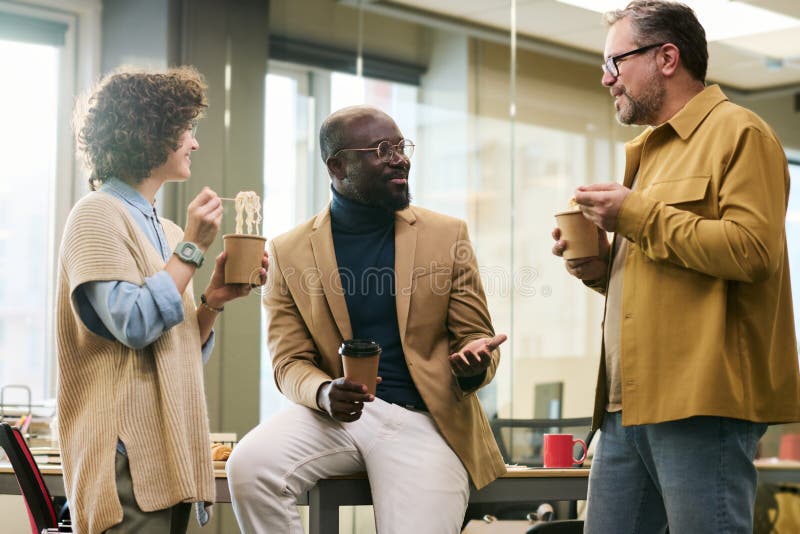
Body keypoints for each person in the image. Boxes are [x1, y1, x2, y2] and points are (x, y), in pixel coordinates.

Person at [551, 1, 800, 532]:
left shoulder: (741, 134)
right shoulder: (647, 152)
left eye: (615, 62)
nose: (605, 78)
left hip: (699, 402)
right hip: (624, 408)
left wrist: (632, 214)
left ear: (667, 57)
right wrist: (601, 265)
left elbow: (753, 253)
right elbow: (669, 273)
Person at [227, 105, 507, 533]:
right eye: (382, 149)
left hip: (424, 419)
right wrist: (324, 392)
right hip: (333, 417)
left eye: (401, 146)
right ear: (337, 165)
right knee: (250, 466)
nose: (400, 158)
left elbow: (476, 337)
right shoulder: (289, 250)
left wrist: (475, 365)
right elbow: (288, 363)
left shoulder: (446, 235)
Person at [56, 66, 268, 534]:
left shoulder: (166, 230)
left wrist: (211, 301)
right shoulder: (96, 215)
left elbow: (176, 350)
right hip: (125, 457)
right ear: (150, 134)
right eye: (186, 129)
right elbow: (133, 324)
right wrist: (191, 250)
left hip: (167, 451)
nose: (194, 143)